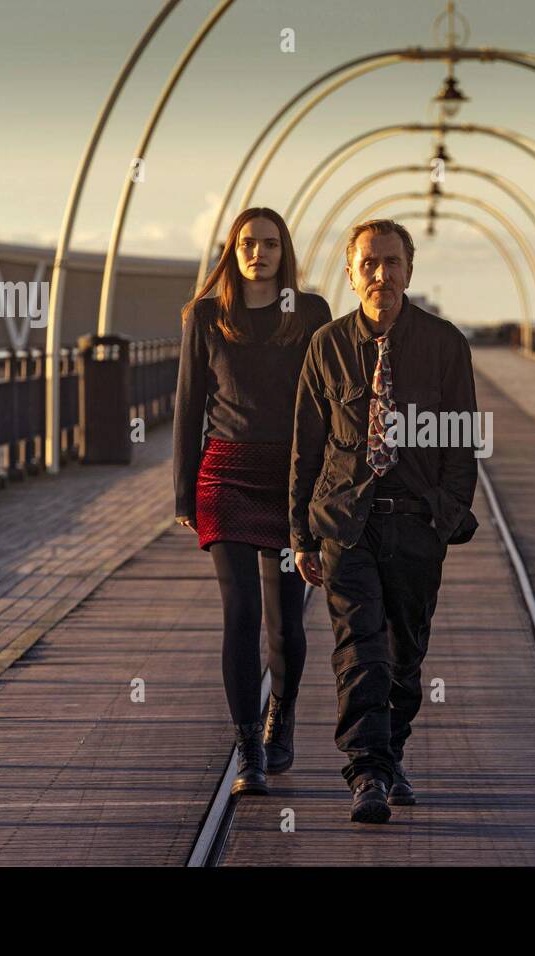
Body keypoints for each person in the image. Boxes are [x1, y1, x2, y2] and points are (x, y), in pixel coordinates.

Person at [290, 219, 479, 824]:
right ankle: (366, 771)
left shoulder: (445, 344)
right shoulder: (325, 346)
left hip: (416, 524)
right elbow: (307, 446)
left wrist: (444, 520)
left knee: (404, 654)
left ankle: (392, 751)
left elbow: (463, 442)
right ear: (350, 273)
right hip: (347, 523)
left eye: (392, 262)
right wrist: (301, 533)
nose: (381, 274)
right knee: (358, 650)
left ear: (409, 270)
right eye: (369, 263)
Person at [173, 206, 331, 796]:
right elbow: (189, 406)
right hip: (225, 478)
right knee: (240, 613)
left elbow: (332, 397)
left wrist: (330, 481)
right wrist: (182, 488)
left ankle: (281, 718)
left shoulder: (310, 312)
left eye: (269, 243)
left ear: (283, 251)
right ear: (232, 250)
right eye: (247, 243)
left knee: (285, 624)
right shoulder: (207, 316)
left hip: (292, 480)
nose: (257, 253)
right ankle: (247, 751)